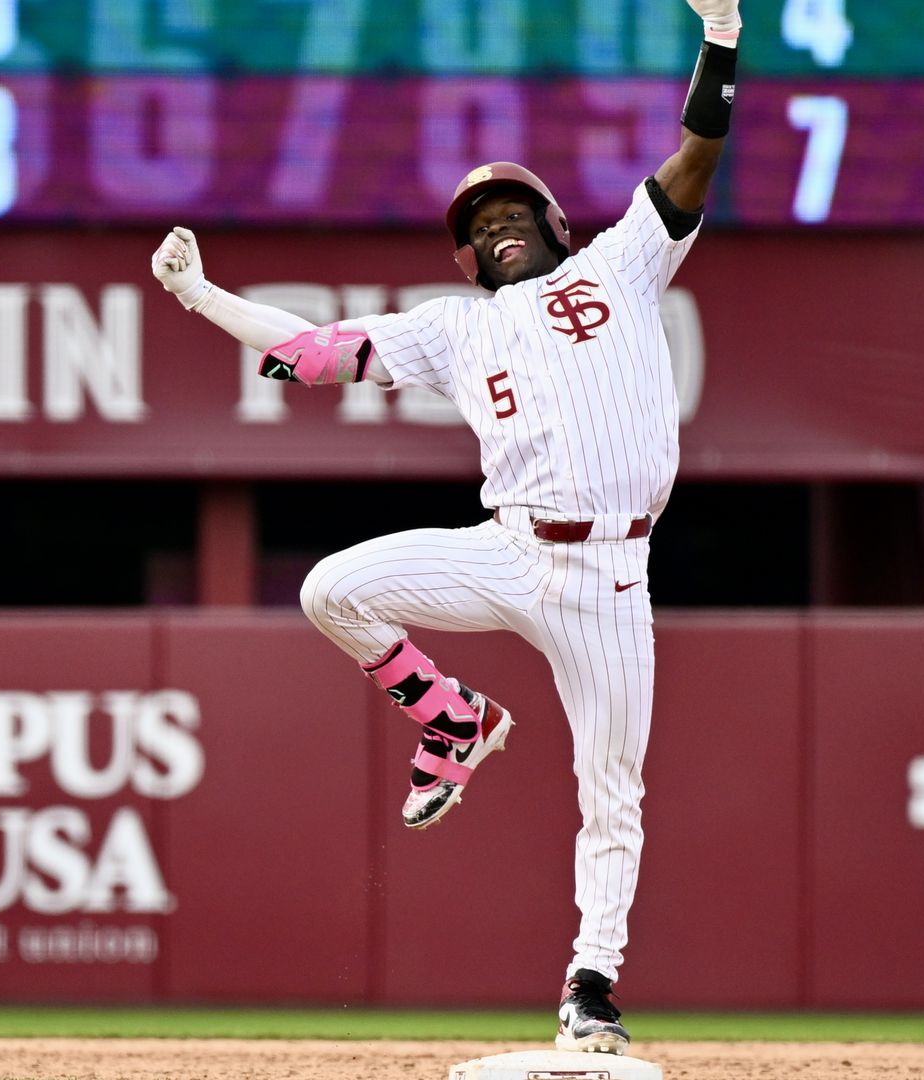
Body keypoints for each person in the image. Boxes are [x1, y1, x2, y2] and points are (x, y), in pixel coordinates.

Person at [148, 0, 742, 1056]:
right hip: (509, 549)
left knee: (611, 790)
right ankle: (453, 721)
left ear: (557, 224)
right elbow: (313, 352)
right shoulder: (452, 327)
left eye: (513, 210)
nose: (495, 224)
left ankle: (589, 987)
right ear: (465, 260)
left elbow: (697, 153)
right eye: (477, 225)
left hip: (612, 573)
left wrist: (725, 37)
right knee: (329, 588)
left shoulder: (622, 265)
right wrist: (201, 296)